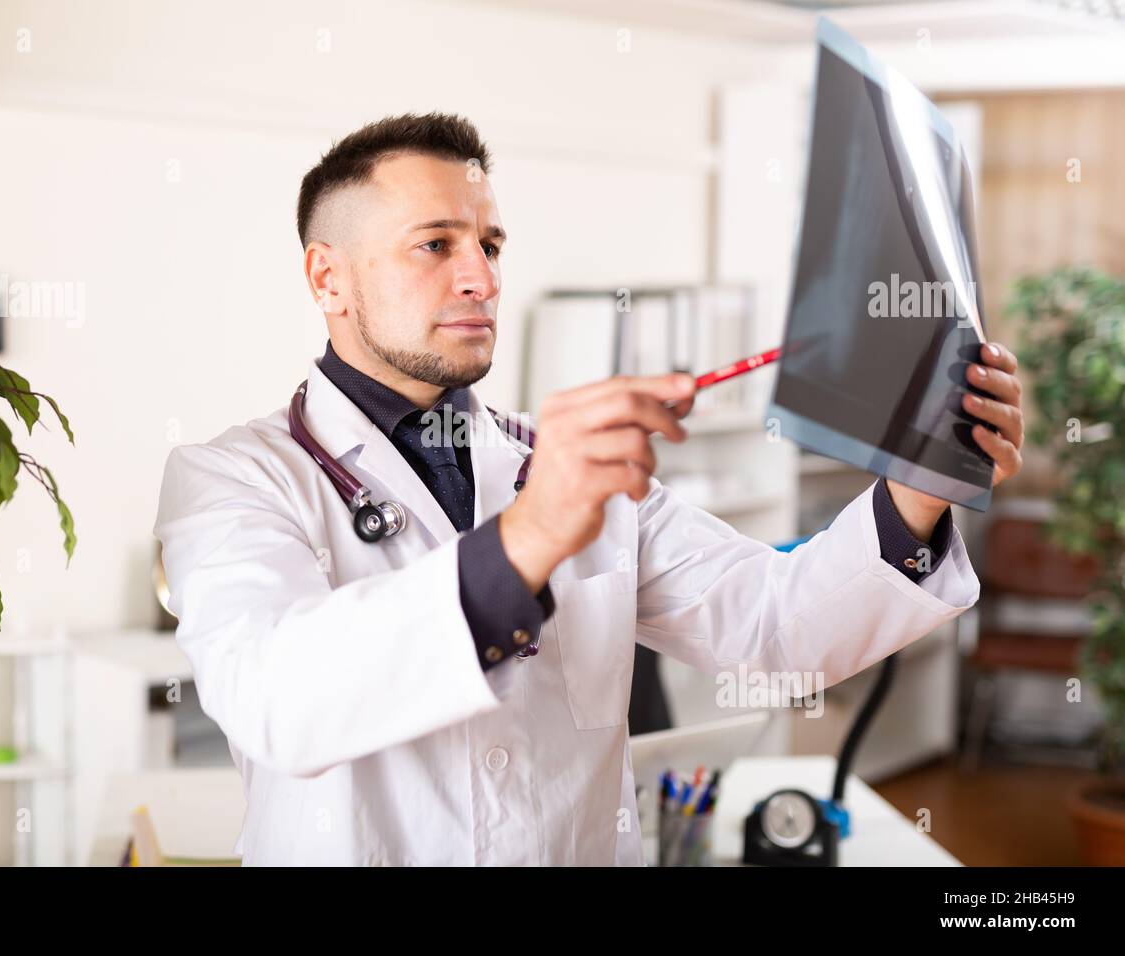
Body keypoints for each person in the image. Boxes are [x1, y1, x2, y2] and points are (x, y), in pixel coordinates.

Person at [153, 112, 1025, 865]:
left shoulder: (561, 460)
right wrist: (532, 535)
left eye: (490, 246)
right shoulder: (232, 477)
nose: (482, 279)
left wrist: (918, 484)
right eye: (436, 245)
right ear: (326, 278)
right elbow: (279, 702)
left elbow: (776, 629)